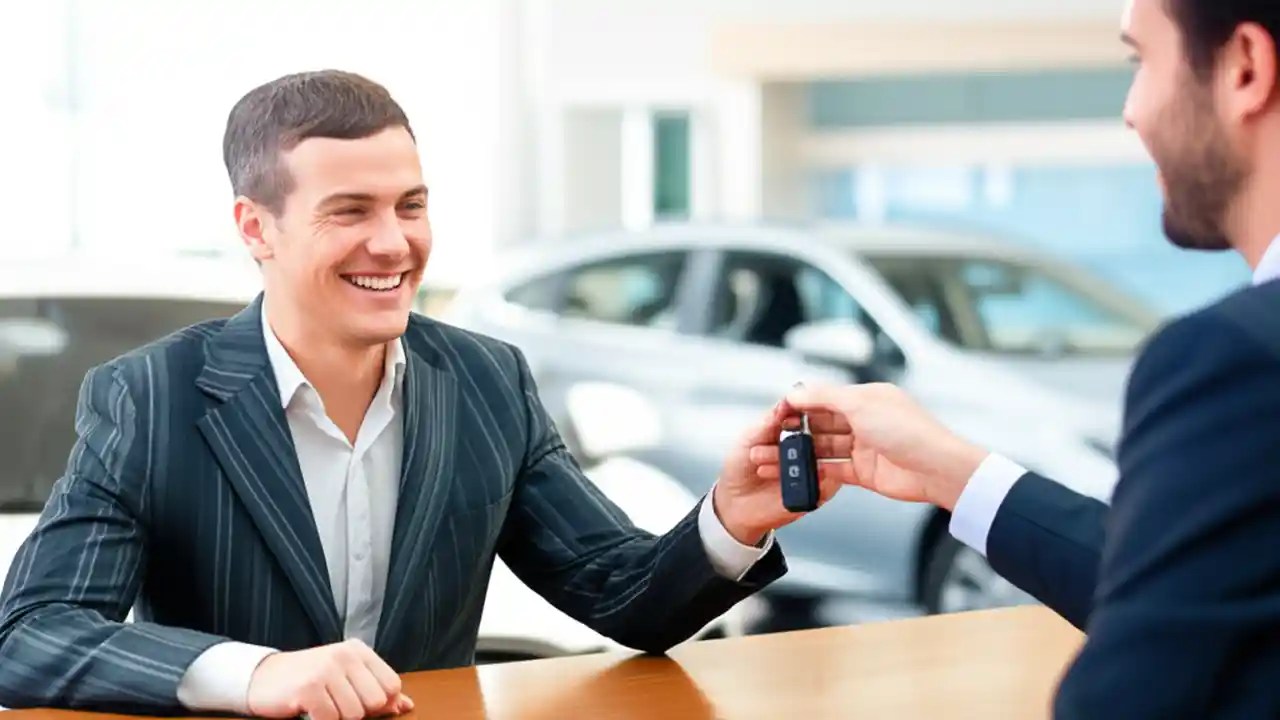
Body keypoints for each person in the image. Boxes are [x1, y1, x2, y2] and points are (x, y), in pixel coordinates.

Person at [0, 70, 850, 719]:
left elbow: (622, 596)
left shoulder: (488, 382)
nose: (393, 242)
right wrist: (253, 673)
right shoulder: (151, 397)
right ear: (256, 228)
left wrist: (734, 516)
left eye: (411, 204)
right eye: (351, 211)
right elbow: (30, 633)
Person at [782, 0, 1280, 717]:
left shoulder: (1229, 361)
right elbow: (1190, 585)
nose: (1132, 112)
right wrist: (951, 471)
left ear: (1244, 68)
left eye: (1140, 62)